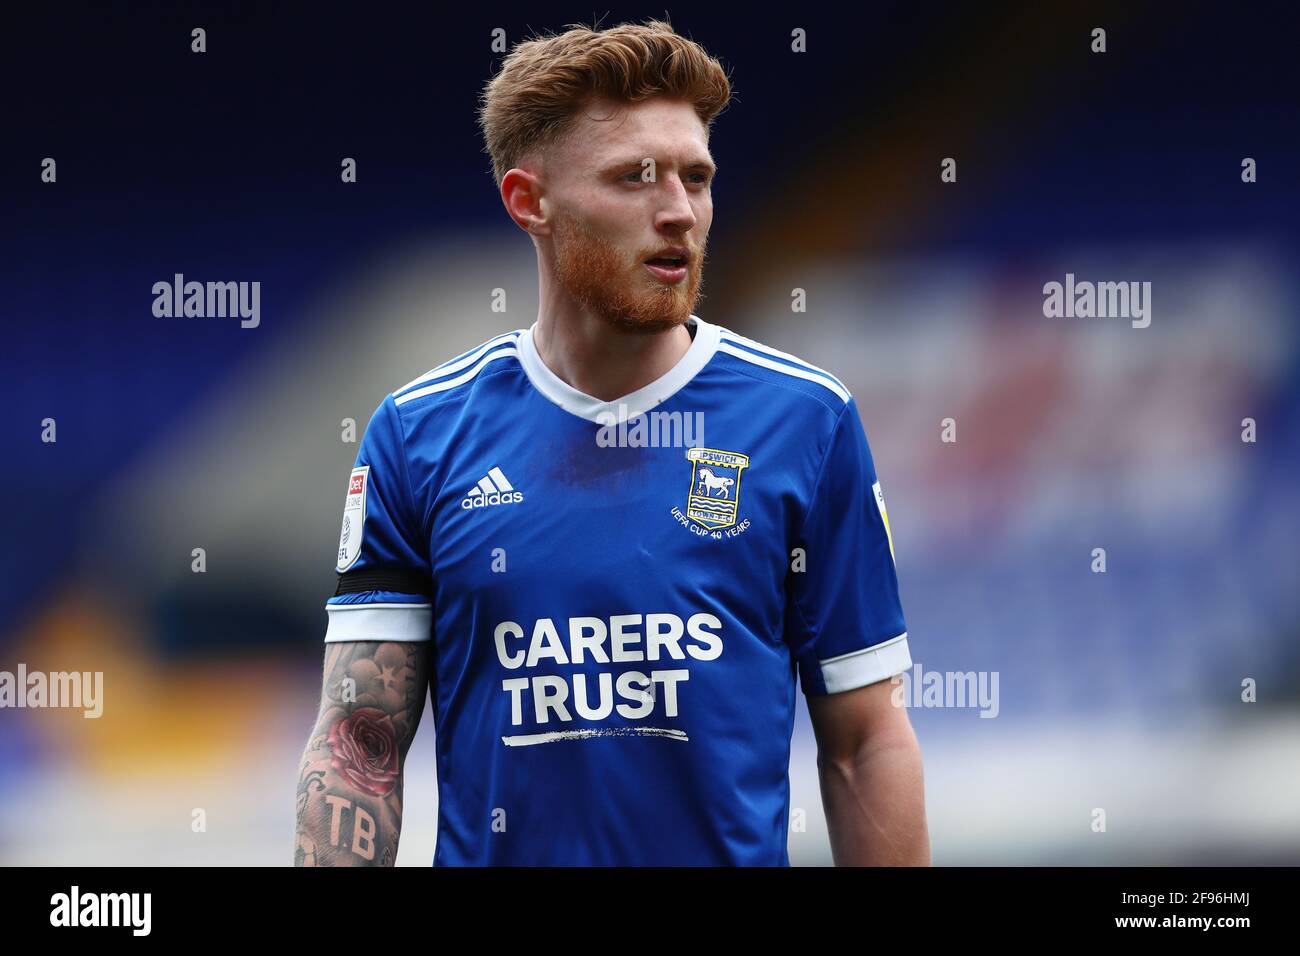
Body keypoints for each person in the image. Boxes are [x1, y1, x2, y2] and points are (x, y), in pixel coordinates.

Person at [294, 18, 929, 866]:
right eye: (635, 178)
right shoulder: (420, 434)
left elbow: (865, 739)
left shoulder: (805, 421)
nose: (678, 212)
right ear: (530, 202)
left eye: (696, 177)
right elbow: (359, 742)